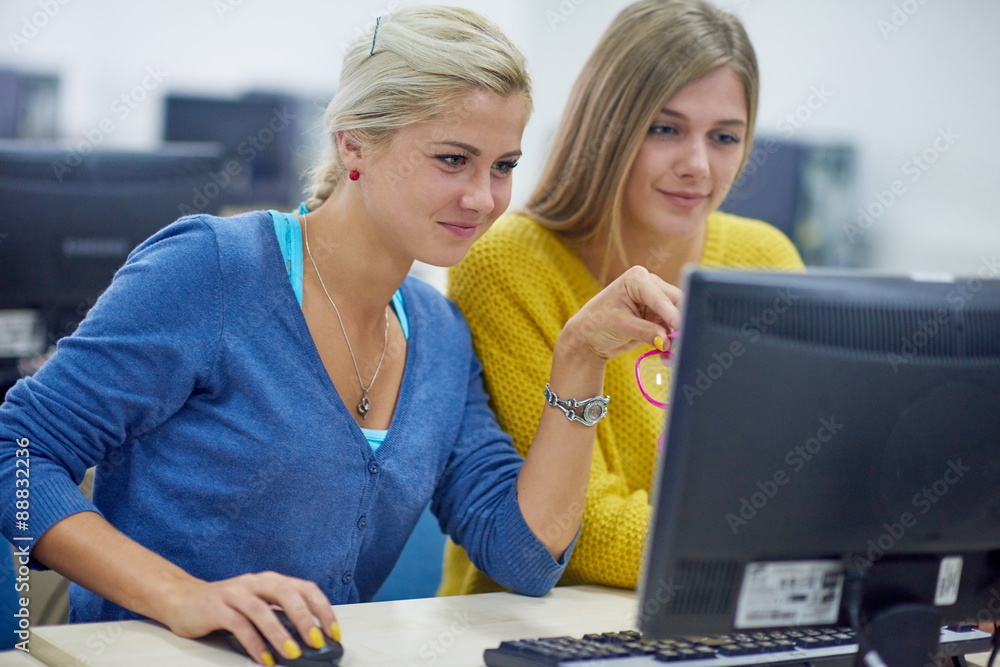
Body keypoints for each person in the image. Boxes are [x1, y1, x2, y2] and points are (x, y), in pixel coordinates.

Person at [0, 7, 682, 667]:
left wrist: (580, 357)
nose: (483, 197)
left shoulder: (439, 335)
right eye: (453, 159)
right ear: (353, 143)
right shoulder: (213, 270)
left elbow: (524, 554)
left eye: (503, 166)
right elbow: (16, 453)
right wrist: (182, 595)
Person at [439, 0, 805, 597]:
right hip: (544, 633)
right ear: (607, 125)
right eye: (665, 129)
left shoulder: (766, 260)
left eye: (724, 137)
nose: (696, 165)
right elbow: (584, 530)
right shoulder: (507, 263)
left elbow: (799, 482)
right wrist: (787, 559)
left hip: (721, 616)